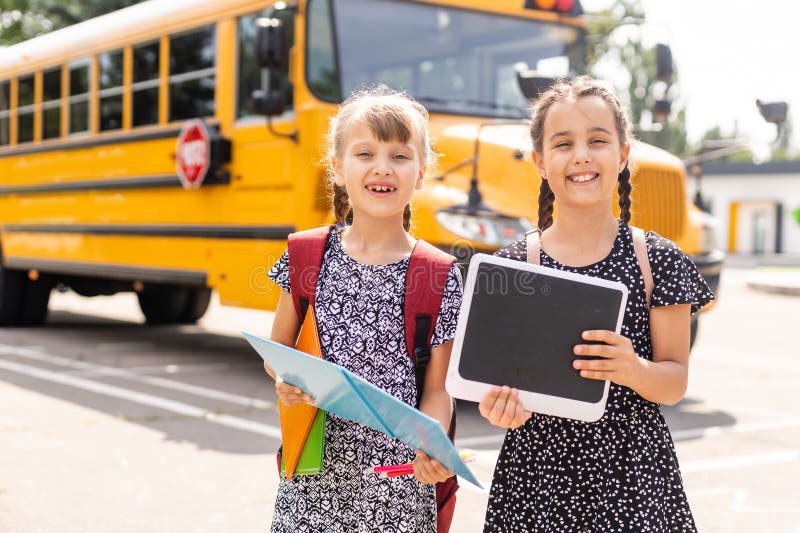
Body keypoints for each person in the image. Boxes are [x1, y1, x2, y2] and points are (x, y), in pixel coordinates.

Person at [479, 76, 714, 532]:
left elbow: (675, 382)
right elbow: (493, 387)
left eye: (598, 140)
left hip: (635, 482)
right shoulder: (513, 265)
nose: (582, 155)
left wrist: (633, 369)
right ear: (540, 162)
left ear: (624, 155)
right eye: (563, 144)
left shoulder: (657, 260)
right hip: (536, 484)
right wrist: (498, 407)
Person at [264, 86, 463, 533]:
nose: (382, 168)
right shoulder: (306, 254)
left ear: (421, 172)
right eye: (365, 153)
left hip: (398, 491)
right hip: (311, 488)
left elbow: (437, 389)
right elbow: (277, 352)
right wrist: (286, 381)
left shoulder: (438, 273)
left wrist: (433, 445)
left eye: (399, 155)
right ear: (337, 168)